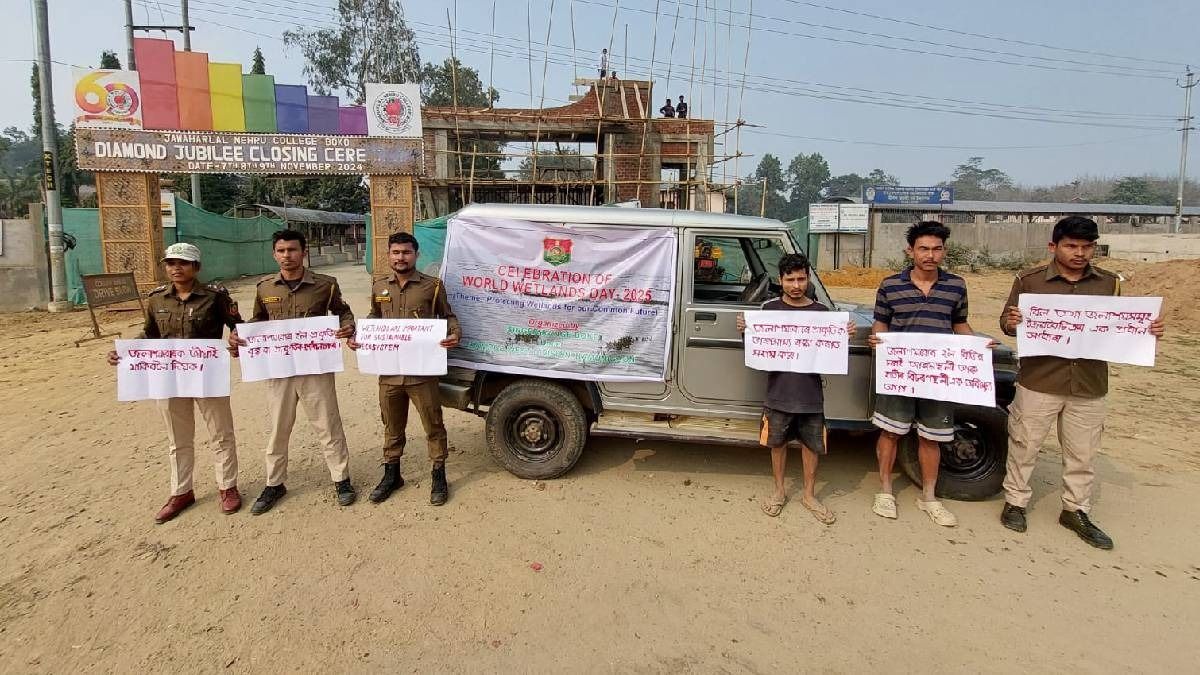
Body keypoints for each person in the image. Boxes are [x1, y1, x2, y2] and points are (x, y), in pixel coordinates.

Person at [998, 216, 1165, 549]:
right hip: (1039, 380)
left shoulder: (1109, 283)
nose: (1079, 253)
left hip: (1088, 384)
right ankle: (1015, 502)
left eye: (1086, 247)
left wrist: (1146, 330)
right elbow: (1006, 323)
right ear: (1054, 246)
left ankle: (1075, 510)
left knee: (1083, 453)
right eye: (1071, 246)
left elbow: (1118, 326)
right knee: (1024, 444)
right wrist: (1012, 321)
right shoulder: (1029, 281)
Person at [107, 242, 243, 523]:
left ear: (197, 267)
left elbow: (237, 326)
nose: (176, 268)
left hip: (207, 375)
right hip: (169, 377)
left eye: (182, 263)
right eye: (170, 263)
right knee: (177, 438)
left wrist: (235, 339)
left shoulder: (216, 297)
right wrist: (126, 351)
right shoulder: (157, 299)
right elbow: (149, 333)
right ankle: (181, 492)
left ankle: (227, 487)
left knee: (221, 434)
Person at [228, 229, 357, 515]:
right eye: (281, 251)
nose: (287, 256)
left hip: (316, 367)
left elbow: (343, 312)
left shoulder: (326, 285)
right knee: (278, 428)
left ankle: (341, 479)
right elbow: (258, 321)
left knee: (328, 423)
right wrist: (241, 337)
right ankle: (275, 483)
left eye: (293, 250)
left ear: (303, 252)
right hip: (278, 368)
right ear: (274, 254)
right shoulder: (265, 288)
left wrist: (349, 326)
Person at [869, 221, 983, 527]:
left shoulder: (956, 286)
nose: (930, 255)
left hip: (937, 374)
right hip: (899, 373)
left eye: (936, 249)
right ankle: (885, 491)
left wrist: (978, 346)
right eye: (923, 248)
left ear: (944, 251)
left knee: (932, 437)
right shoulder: (890, 285)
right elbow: (881, 323)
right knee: (891, 431)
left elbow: (959, 324)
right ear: (910, 251)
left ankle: (929, 497)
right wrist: (878, 342)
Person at [735, 254, 856, 524]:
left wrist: (842, 335)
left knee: (811, 445)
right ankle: (779, 491)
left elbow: (830, 351)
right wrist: (745, 330)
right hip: (778, 393)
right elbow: (756, 348)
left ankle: (809, 495)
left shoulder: (822, 313)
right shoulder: (768, 310)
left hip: (811, 395)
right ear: (781, 280)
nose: (796, 285)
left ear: (808, 279)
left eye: (801, 278)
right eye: (790, 279)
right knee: (776, 444)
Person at [349, 232, 461, 506]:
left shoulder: (432, 287)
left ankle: (438, 474)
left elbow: (447, 316)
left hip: (422, 373)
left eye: (406, 252)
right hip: (388, 372)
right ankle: (392, 474)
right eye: (395, 252)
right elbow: (375, 317)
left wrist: (455, 333)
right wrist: (363, 335)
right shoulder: (378, 286)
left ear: (416, 255)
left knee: (433, 424)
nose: (401, 258)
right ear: (388, 255)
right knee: (392, 425)